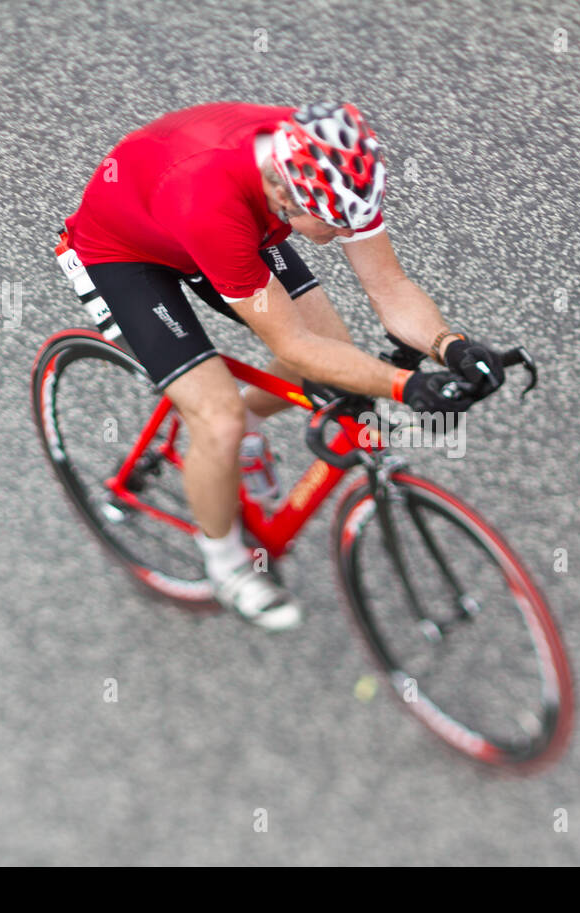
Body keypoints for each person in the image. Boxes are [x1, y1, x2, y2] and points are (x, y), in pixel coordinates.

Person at [63, 101, 506, 630]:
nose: (345, 235)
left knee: (335, 349)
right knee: (217, 417)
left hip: (217, 219)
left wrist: (451, 346)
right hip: (125, 250)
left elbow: (388, 286)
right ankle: (226, 567)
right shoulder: (213, 200)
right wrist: (405, 385)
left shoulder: (334, 167)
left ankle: (252, 424)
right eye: (333, 226)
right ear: (282, 195)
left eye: (352, 223)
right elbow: (293, 345)